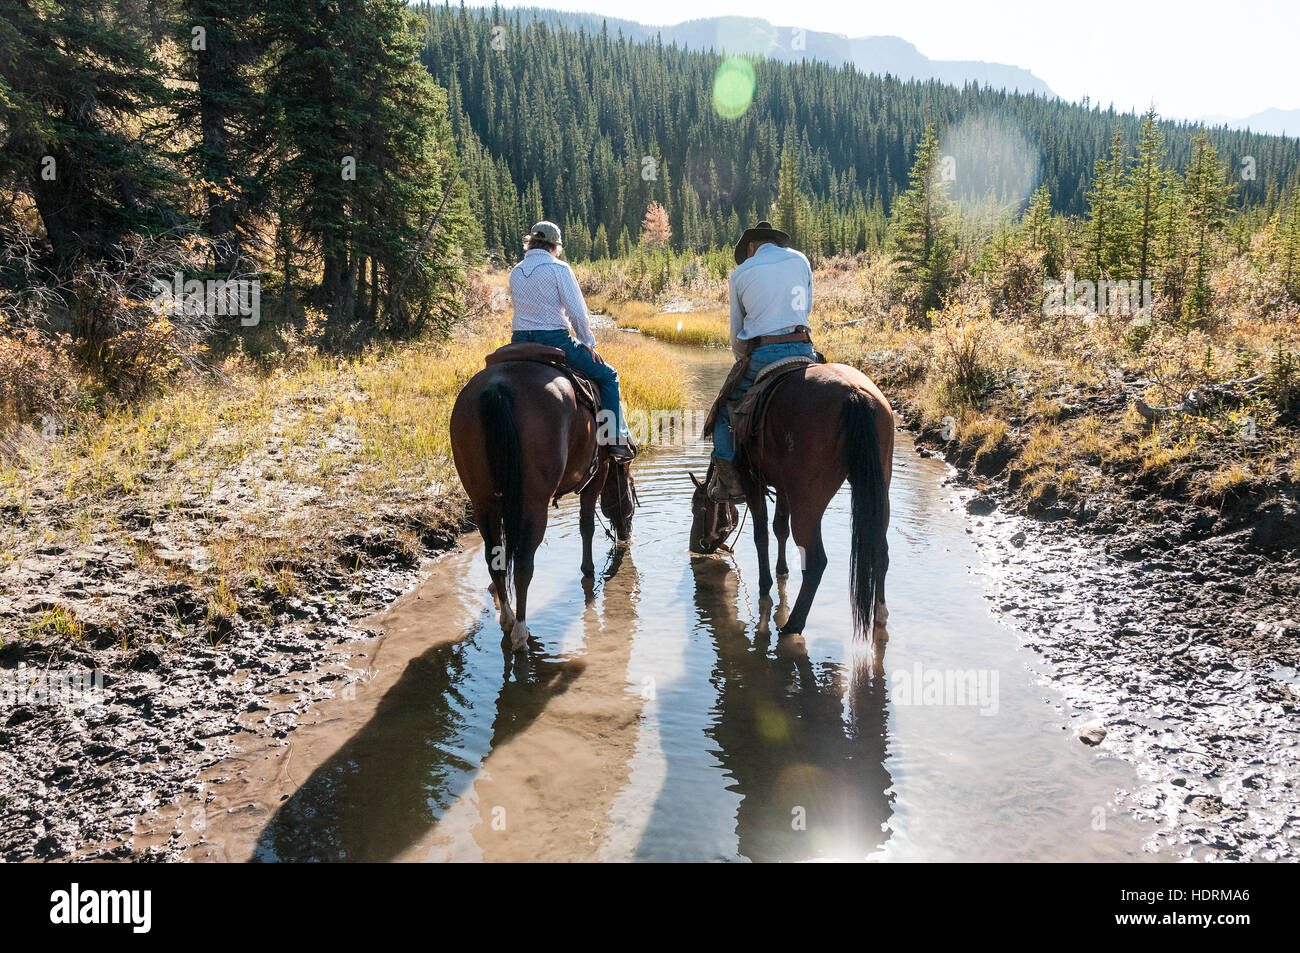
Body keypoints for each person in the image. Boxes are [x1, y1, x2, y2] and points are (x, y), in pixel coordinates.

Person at [708, 220, 817, 502]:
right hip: (804, 350)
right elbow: (806, 309)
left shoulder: (741, 273)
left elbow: (736, 333)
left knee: (722, 411)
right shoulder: (801, 260)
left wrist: (740, 359)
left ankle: (731, 482)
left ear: (752, 246)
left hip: (764, 354)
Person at [508, 220, 633, 459]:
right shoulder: (559, 269)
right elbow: (577, 311)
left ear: (530, 243)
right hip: (555, 341)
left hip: (519, 343)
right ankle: (615, 438)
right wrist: (588, 343)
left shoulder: (516, 271)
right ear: (555, 245)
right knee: (609, 376)